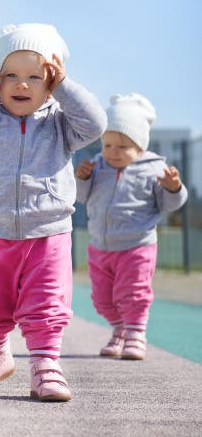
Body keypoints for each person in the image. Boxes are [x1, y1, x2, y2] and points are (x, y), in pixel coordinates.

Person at [0, 23, 107, 401]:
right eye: (11, 75)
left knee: (47, 302)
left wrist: (65, 88)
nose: (22, 85)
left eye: (35, 77)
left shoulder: (61, 123)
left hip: (48, 232)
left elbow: (96, 125)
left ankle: (46, 364)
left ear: (51, 83)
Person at [75, 93, 187, 360]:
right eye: (108, 144)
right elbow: (81, 196)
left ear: (140, 146)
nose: (113, 152)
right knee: (102, 300)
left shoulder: (154, 168)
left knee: (132, 293)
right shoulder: (97, 165)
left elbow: (169, 204)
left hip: (137, 246)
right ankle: (120, 329)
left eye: (123, 146)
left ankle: (135, 333)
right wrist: (83, 179)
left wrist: (174, 188)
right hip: (100, 246)